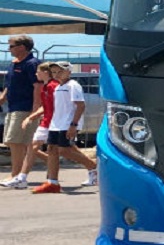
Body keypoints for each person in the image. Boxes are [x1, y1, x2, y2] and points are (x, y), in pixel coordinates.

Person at [31, 62, 98, 194]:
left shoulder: (73, 85)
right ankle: (52, 182)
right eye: (54, 72)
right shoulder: (57, 87)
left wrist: (73, 125)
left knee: (64, 150)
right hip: (56, 124)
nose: (57, 74)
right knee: (51, 150)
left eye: (60, 71)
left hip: (68, 124)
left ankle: (92, 166)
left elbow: (80, 106)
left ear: (68, 72)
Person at [2, 62, 58, 189]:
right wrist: (31, 117)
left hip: (55, 123)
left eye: (38, 71)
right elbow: (45, 106)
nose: (35, 74)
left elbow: (59, 106)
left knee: (66, 150)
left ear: (45, 72)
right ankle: (22, 178)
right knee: (32, 147)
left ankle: (91, 166)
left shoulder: (53, 87)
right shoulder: (46, 86)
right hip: (46, 122)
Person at [0, 34, 40, 187]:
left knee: (15, 142)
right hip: (12, 107)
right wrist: (2, 99)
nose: (8, 49)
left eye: (11, 46)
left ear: (22, 47)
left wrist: (35, 110)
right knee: (21, 143)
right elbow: (8, 86)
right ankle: (18, 174)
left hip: (25, 108)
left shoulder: (31, 63)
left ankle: (16, 176)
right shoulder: (14, 63)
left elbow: (38, 86)